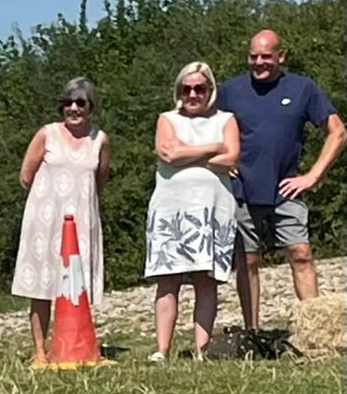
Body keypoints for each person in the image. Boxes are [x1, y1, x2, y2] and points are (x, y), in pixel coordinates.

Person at [216, 30, 343, 332]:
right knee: (248, 261)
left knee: (301, 254)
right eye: (253, 56)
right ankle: (252, 332)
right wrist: (222, 162)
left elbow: (337, 132)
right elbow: (203, 127)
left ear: (281, 56)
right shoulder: (230, 90)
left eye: (266, 56)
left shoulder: (302, 88)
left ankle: (314, 331)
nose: (259, 62)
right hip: (241, 189)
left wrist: (313, 176)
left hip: (286, 188)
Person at [10, 78, 110, 364]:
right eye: (68, 102)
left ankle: (80, 344)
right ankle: (40, 350)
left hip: (82, 218)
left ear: (91, 107)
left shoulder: (99, 139)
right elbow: (26, 175)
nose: (74, 108)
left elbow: (101, 177)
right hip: (45, 219)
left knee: (79, 284)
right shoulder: (47, 134)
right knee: (41, 286)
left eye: (81, 102)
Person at [145, 62, 239, 362]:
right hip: (171, 209)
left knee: (205, 280)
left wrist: (189, 154)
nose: (193, 94)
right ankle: (162, 350)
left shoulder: (226, 119)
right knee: (168, 280)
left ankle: (202, 350)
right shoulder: (167, 119)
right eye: (186, 89)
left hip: (212, 210)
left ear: (210, 90)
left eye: (199, 88)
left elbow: (233, 157)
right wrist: (213, 148)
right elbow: (169, 153)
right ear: (178, 91)